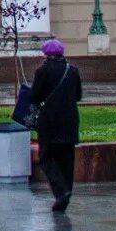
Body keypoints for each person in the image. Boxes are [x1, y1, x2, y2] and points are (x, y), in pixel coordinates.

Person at [27, 38, 82, 212]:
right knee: (67, 160)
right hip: (70, 120)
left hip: (49, 121)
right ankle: (66, 194)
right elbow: (79, 95)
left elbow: (34, 97)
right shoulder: (72, 70)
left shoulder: (42, 71)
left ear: (46, 54)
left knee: (46, 157)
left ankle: (60, 191)